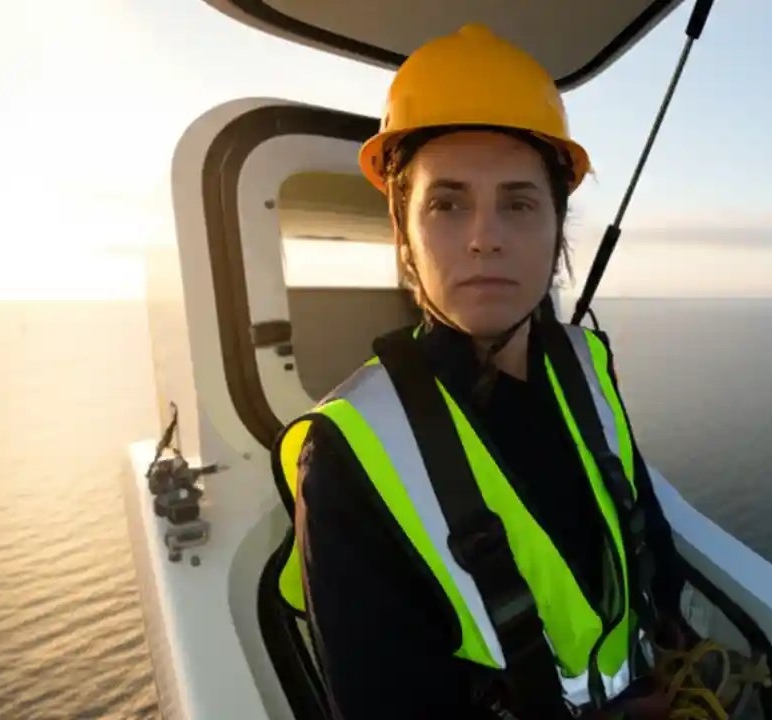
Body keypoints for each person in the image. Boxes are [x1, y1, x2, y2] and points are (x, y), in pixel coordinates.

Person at [268, 23, 693, 720]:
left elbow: (638, 523)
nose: (484, 236)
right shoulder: (350, 454)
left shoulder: (586, 363)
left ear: (558, 228)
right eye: (448, 203)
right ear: (404, 237)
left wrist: (666, 641)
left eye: (519, 204)